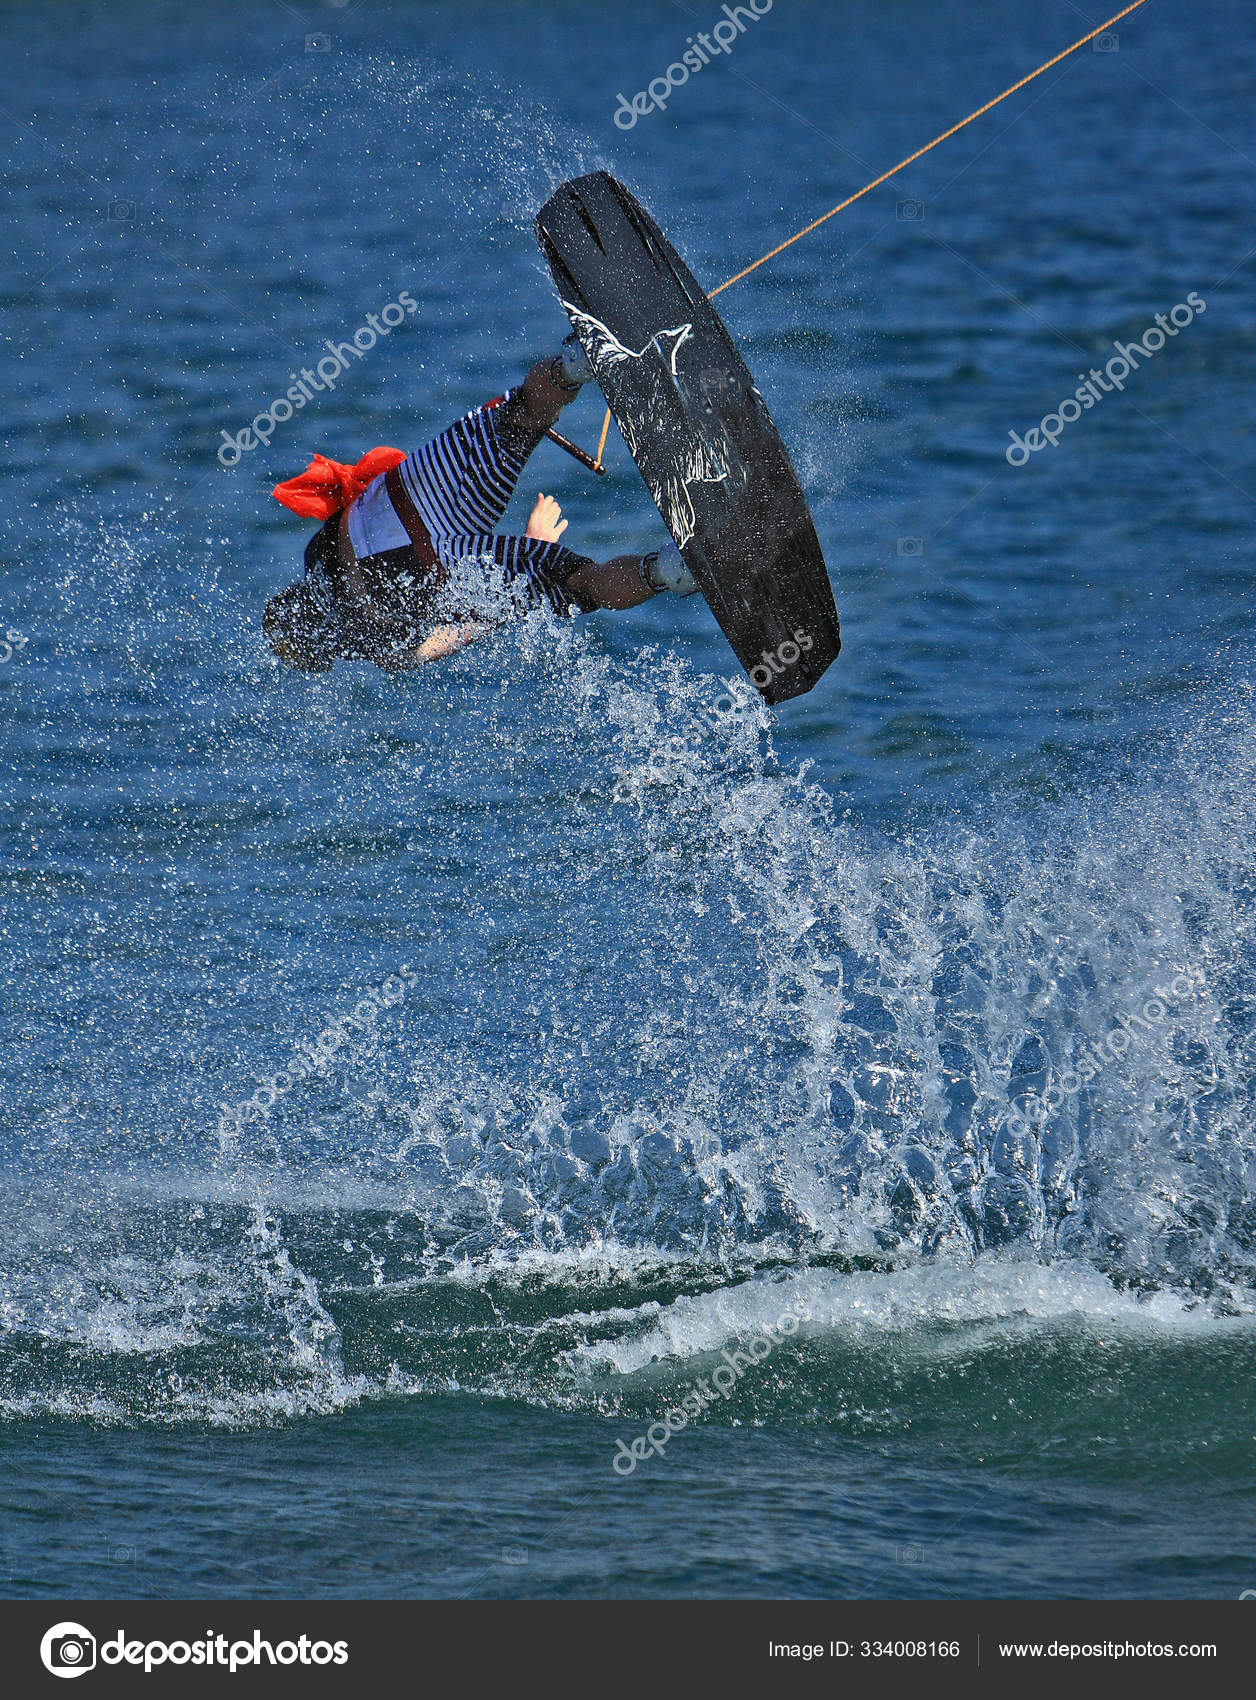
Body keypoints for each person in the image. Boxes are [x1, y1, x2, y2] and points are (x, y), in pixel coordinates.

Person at [263, 336, 698, 673]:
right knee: (522, 416)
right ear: (295, 599)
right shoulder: (316, 556)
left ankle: (673, 570)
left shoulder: (376, 648)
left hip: (433, 564)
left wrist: (526, 562)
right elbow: (357, 494)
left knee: (576, 583)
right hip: (413, 493)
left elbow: (470, 624)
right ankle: (575, 364)